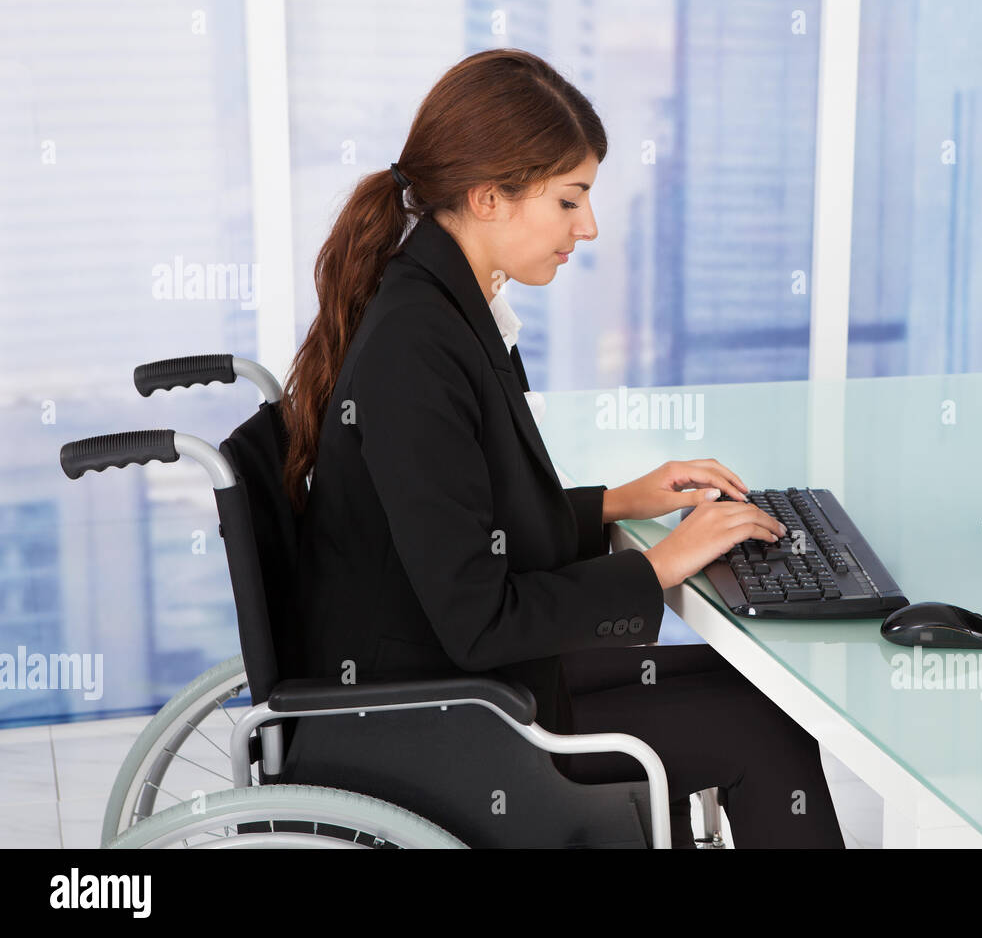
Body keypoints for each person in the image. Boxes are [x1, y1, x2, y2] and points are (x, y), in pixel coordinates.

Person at [278, 48, 844, 849]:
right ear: (488, 199)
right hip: (442, 718)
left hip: (461, 680)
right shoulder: (417, 348)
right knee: (765, 735)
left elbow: (474, 520)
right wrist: (660, 563)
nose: (590, 226)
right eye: (570, 199)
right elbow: (480, 618)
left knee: (759, 699)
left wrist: (618, 503)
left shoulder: (448, 304)